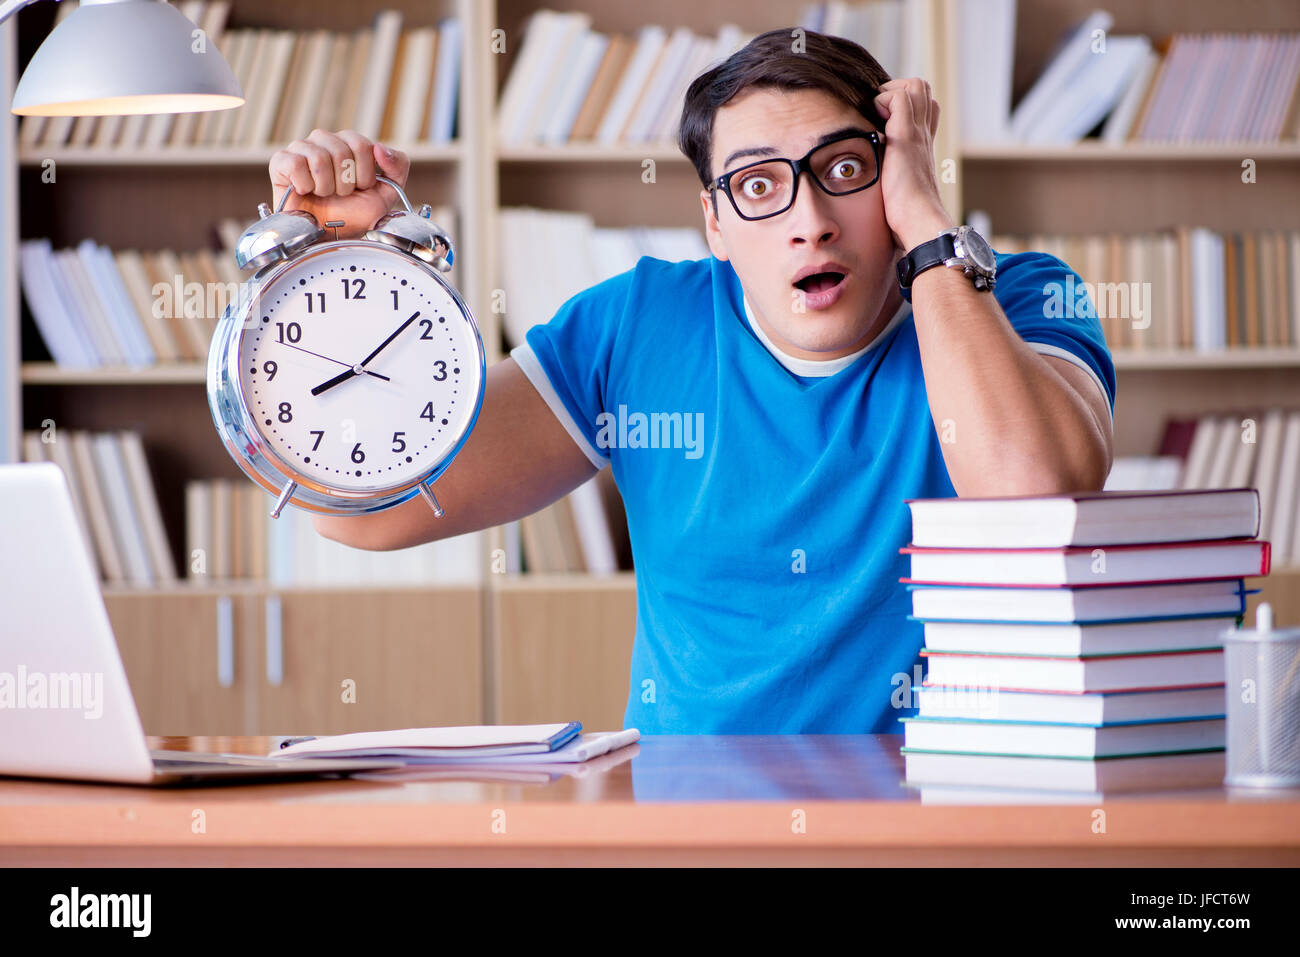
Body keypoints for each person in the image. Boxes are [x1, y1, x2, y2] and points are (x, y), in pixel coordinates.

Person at [266, 29, 1114, 733]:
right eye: (757, 187)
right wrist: (342, 273)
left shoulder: (1018, 300)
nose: (809, 222)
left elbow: (1031, 496)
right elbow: (367, 512)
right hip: (696, 828)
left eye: (846, 171)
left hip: (945, 823)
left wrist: (927, 222)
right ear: (713, 222)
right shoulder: (636, 327)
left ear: (896, 173)